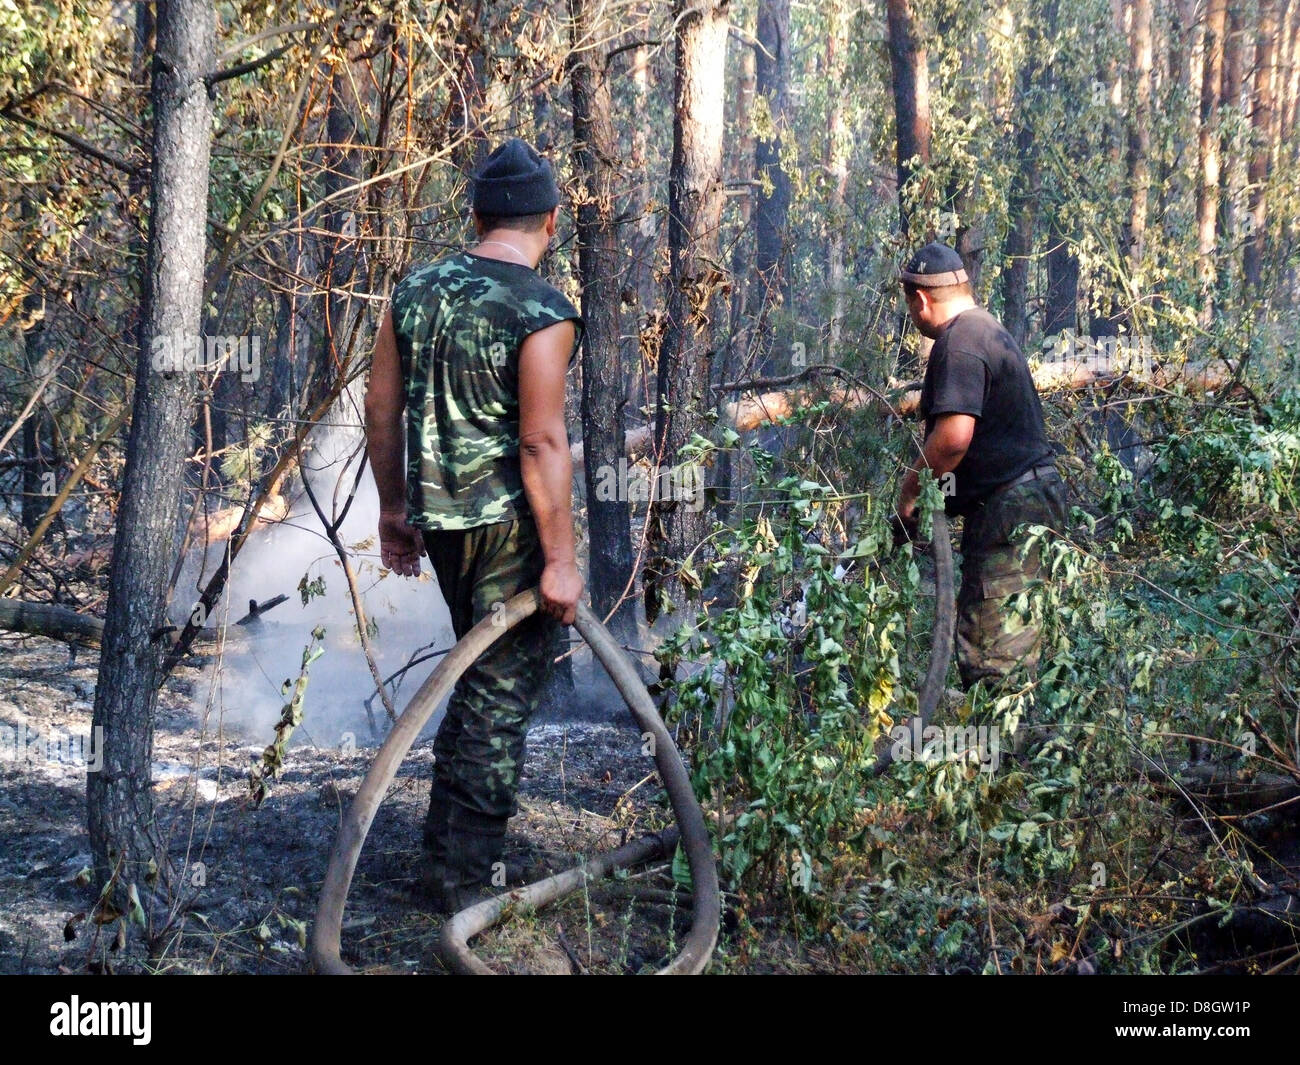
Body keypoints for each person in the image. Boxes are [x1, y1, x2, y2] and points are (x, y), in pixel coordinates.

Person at [364, 137, 585, 912]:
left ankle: (445, 861)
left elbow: (380, 412)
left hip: (444, 526)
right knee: (496, 697)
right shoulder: (542, 310)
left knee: (479, 683)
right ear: (551, 221)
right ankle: (464, 886)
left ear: (476, 213)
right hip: (507, 532)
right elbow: (541, 441)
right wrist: (559, 558)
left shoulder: (414, 293)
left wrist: (395, 510)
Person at [894, 242, 1067, 693]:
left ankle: (999, 758)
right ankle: (1016, 749)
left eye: (909, 304)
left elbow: (952, 440)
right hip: (1028, 503)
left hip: (1011, 511)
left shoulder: (961, 342)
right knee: (1021, 643)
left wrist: (908, 493)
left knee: (995, 657)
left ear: (921, 299)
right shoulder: (986, 330)